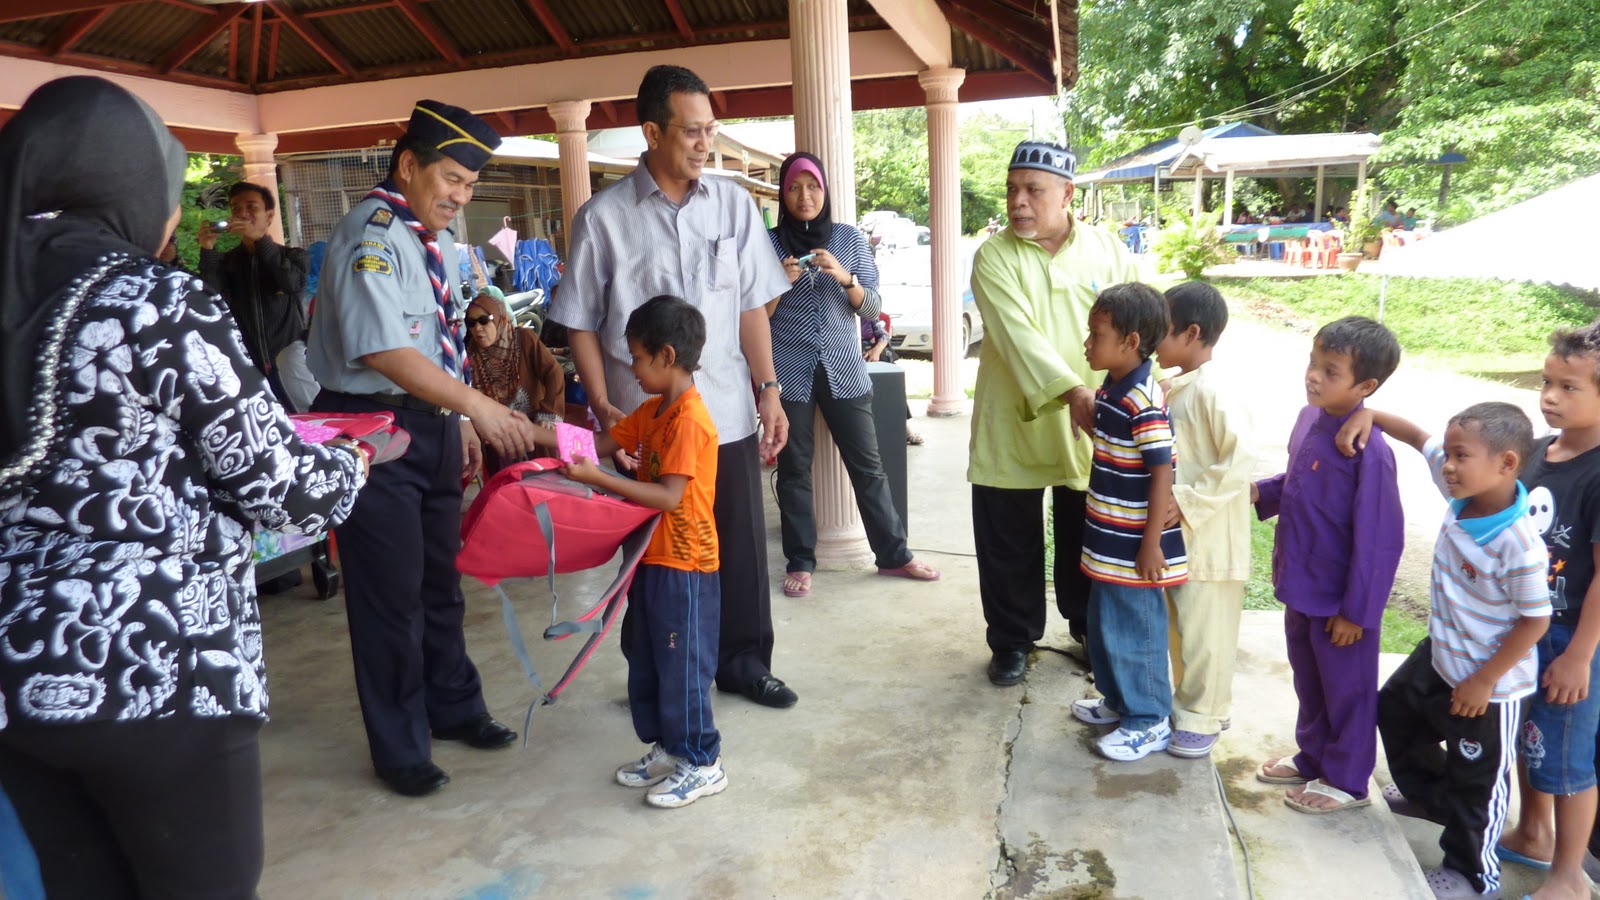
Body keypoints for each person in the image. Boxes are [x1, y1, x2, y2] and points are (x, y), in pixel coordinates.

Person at [0, 75, 368, 897]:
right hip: (155, 665)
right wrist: (350, 464)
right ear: (129, 186)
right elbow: (278, 485)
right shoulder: (153, 300)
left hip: (16, 683)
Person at [307, 99, 540, 797]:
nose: (460, 197)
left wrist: (461, 421)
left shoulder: (428, 238)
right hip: (371, 431)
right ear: (408, 165)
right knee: (390, 597)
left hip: (433, 425)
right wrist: (481, 408)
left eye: (470, 186)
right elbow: (381, 349)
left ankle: (454, 706)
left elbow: (436, 337)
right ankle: (400, 744)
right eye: (451, 180)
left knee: (440, 582)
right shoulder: (370, 232)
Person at [548, 65, 798, 710]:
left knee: (737, 548)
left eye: (710, 130)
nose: (704, 144)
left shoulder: (734, 205)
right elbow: (579, 321)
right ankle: (657, 675)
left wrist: (768, 389)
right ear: (652, 131)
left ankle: (742, 664)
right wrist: (602, 408)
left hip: (726, 414)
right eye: (691, 131)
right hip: (647, 422)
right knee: (655, 556)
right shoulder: (603, 217)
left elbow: (748, 306)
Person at [1344, 403, 1550, 899]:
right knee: (1393, 708)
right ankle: (1432, 798)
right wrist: (1367, 414)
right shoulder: (1459, 487)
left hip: (1493, 681)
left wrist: (1483, 681)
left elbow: (1535, 619)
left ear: (1506, 464)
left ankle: (1473, 875)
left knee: (1480, 780)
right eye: (1450, 456)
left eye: (1462, 456)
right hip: (1441, 653)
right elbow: (1418, 434)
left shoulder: (1519, 543)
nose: (1449, 465)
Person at [967, 139, 1141, 687]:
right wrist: (1073, 394)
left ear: (1067, 194)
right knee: (1007, 537)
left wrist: (1127, 398)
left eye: (1033, 190)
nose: (1018, 201)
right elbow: (1018, 337)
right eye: (1013, 189)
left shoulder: (1110, 251)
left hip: (1097, 419)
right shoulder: (993, 256)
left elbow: (1141, 327)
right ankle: (1011, 641)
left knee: (1088, 531)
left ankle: (1088, 629)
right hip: (1015, 418)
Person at [545, 296, 728, 808]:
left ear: (666, 356)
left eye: (637, 358)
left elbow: (670, 496)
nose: (632, 369)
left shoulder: (689, 421)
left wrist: (597, 478)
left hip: (686, 566)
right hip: (650, 559)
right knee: (645, 656)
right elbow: (598, 444)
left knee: (683, 665)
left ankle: (703, 761)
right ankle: (670, 747)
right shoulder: (653, 412)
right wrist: (535, 435)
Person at [765, 151, 939, 599]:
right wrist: (777, 289)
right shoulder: (768, 245)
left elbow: (871, 302)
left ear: (825, 192)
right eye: (795, 188)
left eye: (813, 187)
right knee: (793, 469)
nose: (805, 196)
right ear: (784, 194)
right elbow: (754, 316)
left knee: (869, 466)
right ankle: (801, 560)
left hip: (843, 366)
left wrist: (846, 277)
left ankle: (894, 555)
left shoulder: (849, 239)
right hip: (789, 370)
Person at [1252, 316, 1404, 813]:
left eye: (1331, 371)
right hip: (1301, 582)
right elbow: (1296, 480)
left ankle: (1347, 779)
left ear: (1366, 387)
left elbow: (1380, 540)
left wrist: (1357, 613)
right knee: (1309, 678)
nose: (1314, 376)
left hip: (1343, 599)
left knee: (1349, 689)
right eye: (1314, 363)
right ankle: (1314, 754)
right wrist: (1260, 493)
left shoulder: (1371, 451)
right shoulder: (1308, 419)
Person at [1490, 321, 1600, 900]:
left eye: (1568, 387)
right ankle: (1532, 834)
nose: (1549, 396)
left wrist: (1580, 655)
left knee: (1566, 757)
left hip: (1571, 637)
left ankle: (1570, 875)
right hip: (1524, 629)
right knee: (1528, 737)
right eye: (1546, 382)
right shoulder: (1538, 451)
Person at [1067, 283, 1186, 761]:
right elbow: (1121, 450)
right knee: (1106, 624)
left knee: (1137, 629)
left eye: (1096, 334)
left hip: (1135, 543)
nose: (1087, 343)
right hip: (1108, 537)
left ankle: (1150, 718)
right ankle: (1119, 702)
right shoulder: (1113, 390)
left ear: (1130, 342)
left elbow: (1163, 473)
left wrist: (1152, 543)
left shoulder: (1144, 401)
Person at [1154, 283, 1255, 759]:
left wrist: (1190, 501)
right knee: (1183, 628)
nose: (1152, 337)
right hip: (1182, 537)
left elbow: (1240, 458)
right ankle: (1194, 705)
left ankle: (1204, 714)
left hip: (1210, 539)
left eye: (1161, 328)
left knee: (1206, 634)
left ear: (1192, 333)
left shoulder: (1215, 391)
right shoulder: (1178, 386)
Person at [199, 181, 311, 405]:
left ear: (269, 216)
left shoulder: (294, 256)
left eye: (252, 207)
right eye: (236, 208)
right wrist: (208, 248)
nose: (242, 213)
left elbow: (290, 283)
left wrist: (260, 240)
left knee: (306, 421)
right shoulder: (228, 261)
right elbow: (212, 300)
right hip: (249, 367)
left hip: (291, 363)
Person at [463, 292, 565, 476]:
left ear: (500, 318)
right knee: (509, 493)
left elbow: (553, 372)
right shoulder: (468, 352)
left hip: (535, 431)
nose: (478, 328)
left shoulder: (523, 339)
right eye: (471, 322)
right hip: (497, 440)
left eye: (484, 320)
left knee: (546, 489)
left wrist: (549, 413)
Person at [860, 315, 921, 445]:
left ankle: (906, 427)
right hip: (847, 357)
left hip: (870, 356)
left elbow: (883, 336)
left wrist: (877, 350)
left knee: (894, 385)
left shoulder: (866, 310)